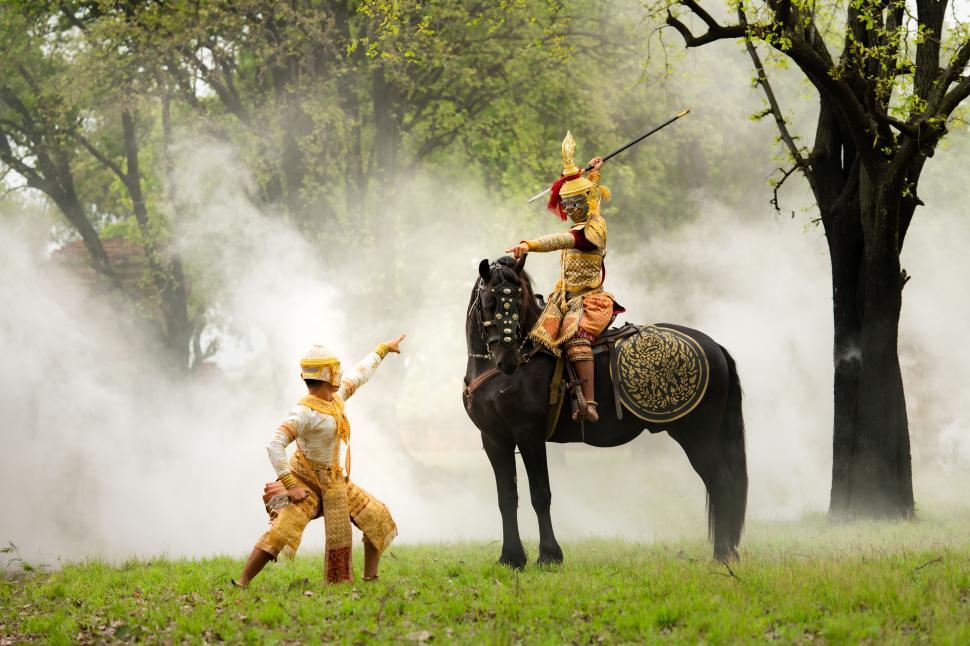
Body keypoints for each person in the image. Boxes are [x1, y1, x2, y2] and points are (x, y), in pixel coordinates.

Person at [234, 335, 405, 587]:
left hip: (336, 482)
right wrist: (291, 487)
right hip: (306, 483)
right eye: (336, 370)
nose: (340, 374)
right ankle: (243, 582)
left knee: (377, 516)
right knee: (280, 532)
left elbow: (360, 374)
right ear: (328, 375)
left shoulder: (335, 399)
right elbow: (274, 445)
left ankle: (371, 579)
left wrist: (382, 349)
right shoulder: (305, 412)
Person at [506, 132, 623, 422]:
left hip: (589, 300)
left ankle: (589, 404)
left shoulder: (590, 232)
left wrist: (529, 244)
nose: (568, 209)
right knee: (538, 337)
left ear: (582, 203)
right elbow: (593, 198)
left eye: (573, 204)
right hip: (565, 299)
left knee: (576, 340)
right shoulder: (589, 213)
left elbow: (560, 239)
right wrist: (594, 172)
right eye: (566, 204)